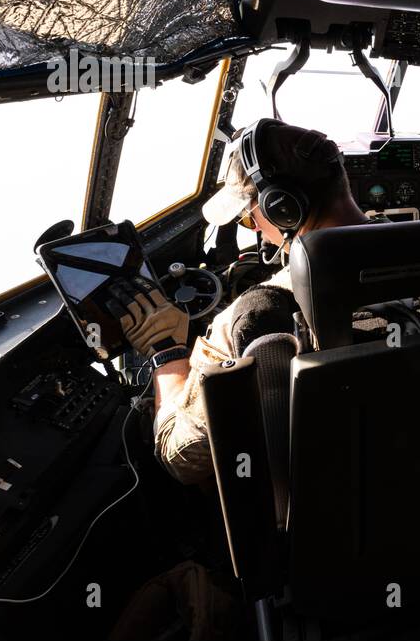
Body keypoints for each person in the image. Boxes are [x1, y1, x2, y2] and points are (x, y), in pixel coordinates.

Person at [117, 119, 368, 484]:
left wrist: (166, 355)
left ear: (282, 207)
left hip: (326, 506)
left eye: (250, 220)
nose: (256, 230)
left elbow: (184, 458)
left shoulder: (254, 316)